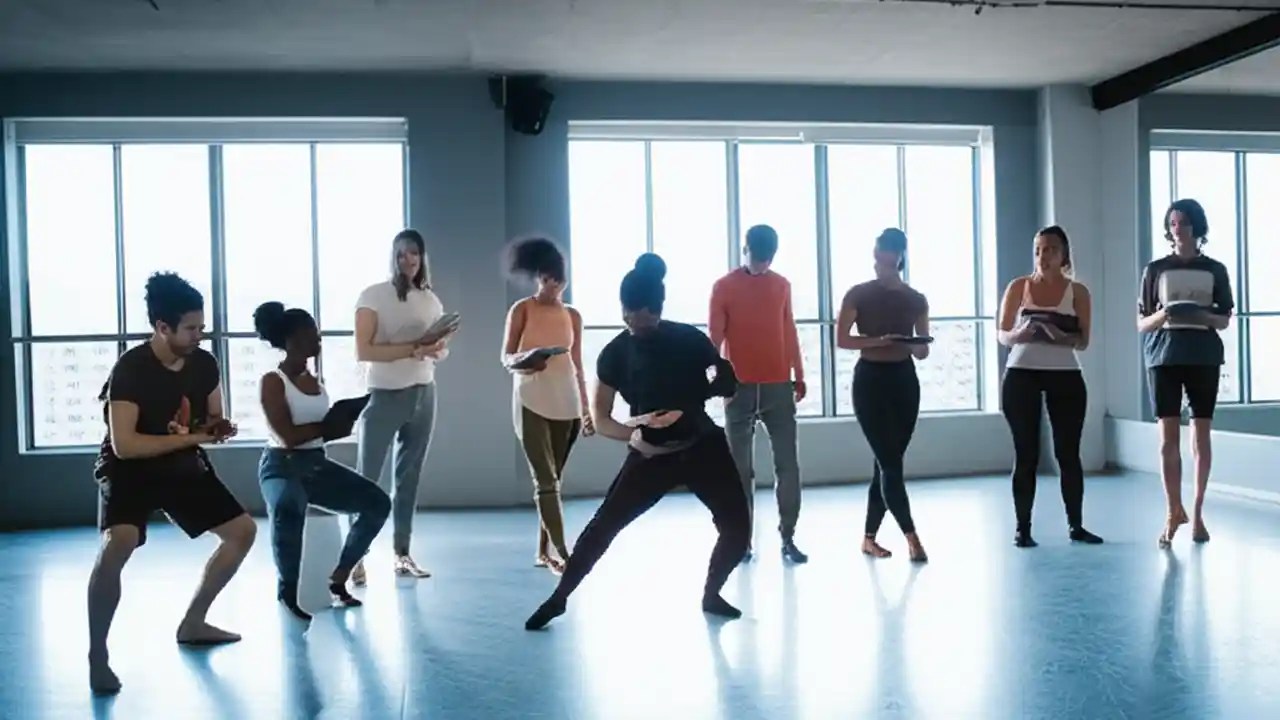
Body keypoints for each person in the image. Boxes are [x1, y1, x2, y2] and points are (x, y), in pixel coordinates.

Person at [524, 253, 751, 630]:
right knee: (603, 526)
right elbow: (600, 418)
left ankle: (712, 594)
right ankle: (559, 598)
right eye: (627, 312)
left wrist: (719, 386)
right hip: (650, 454)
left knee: (737, 529)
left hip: (701, 446)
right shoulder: (615, 353)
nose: (633, 321)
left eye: (642, 314)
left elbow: (724, 381)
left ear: (657, 310)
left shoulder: (689, 339)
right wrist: (637, 431)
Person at [87, 272, 257, 694]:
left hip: (179, 462)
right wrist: (199, 436)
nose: (200, 334)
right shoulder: (130, 369)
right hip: (129, 470)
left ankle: (194, 622)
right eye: (192, 328)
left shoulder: (204, 362)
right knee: (119, 542)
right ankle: (98, 654)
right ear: (162, 328)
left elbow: (211, 416)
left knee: (242, 533)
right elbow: (124, 446)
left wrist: (215, 428)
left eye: (202, 326)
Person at [253, 301, 392, 622]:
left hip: (316, 464)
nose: (317, 341)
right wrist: (328, 427)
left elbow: (315, 435)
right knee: (288, 506)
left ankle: (339, 577)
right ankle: (288, 592)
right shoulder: (272, 380)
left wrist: (338, 425)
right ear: (291, 341)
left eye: (317, 335)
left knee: (377, 503)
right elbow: (287, 435)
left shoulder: (317, 381)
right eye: (311, 335)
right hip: (280, 466)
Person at [352, 229, 454, 584]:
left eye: (414, 254)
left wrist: (436, 348)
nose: (407, 260)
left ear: (422, 257)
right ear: (392, 257)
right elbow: (364, 351)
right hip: (383, 395)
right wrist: (414, 348)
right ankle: (355, 557)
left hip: (424, 393)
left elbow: (440, 351)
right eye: (400, 254)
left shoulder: (430, 300)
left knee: (408, 479)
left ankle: (402, 553)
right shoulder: (373, 296)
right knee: (367, 480)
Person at [997, 226, 1103, 548]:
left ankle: (1076, 526)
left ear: (1064, 255)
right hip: (1022, 373)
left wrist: (1061, 337)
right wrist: (1020, 334)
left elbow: (1083, 342)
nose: (1044, 256)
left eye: (1052, 250)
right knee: (1025, 453)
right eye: (1039, 250)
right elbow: (1002, 334)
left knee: (1068, 454)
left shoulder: (1079, 292)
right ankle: (1022, 529)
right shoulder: (1019, 286)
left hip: (1065, 374)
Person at [709, 224, 808, 564]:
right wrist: (713, 377)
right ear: (744, 249)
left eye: (768, 259)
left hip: (779, 385)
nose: (762, 264)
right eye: (757, 257)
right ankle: (742, 541)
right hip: (739, 388)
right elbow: (714, 338)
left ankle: (789, 537)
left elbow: (788, 327)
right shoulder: (723, 287)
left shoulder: (781, 285)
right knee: (739, 469)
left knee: (787, 464)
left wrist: (799, 372)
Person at [1137, 198, 1232, 548]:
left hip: (1204, 355)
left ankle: (1198, 511)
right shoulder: (1154, 269)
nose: (1179, 229)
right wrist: (1165, 315)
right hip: (1164, 355)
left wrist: (1200, 315)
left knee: (1201, 437)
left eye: (1185, 223)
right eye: (1174, 223)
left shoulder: (1215, 270)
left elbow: (1224, 319)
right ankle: (1172, 510)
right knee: (1168, 440)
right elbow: (1142, 323)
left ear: (1197, 227)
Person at [501, 236, 594, 575]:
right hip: (531, 398)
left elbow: (579, 365)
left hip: (566, 401)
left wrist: (586, 410)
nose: (551, 285)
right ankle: (565, 554)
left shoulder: (573, 316)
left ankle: (543, 551)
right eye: (545, 277)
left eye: (556, 278)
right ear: (536, 276)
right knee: (545, 480)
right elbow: (506, 357)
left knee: (555, 481)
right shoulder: (522, 309)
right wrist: (527, 360)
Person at [835, 229, 929, 563]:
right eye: (876, 256)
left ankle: (868, 539)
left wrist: (910, 344)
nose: (879, 263)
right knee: (890, 463)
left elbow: (922, 352)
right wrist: (880, 340)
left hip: (904, 382)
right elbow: (843, 340)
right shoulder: (858, 294)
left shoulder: (916, 298)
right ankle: (913, 538)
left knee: (886, 465)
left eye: (886, 258)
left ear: (899, 257)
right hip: (870, 382)